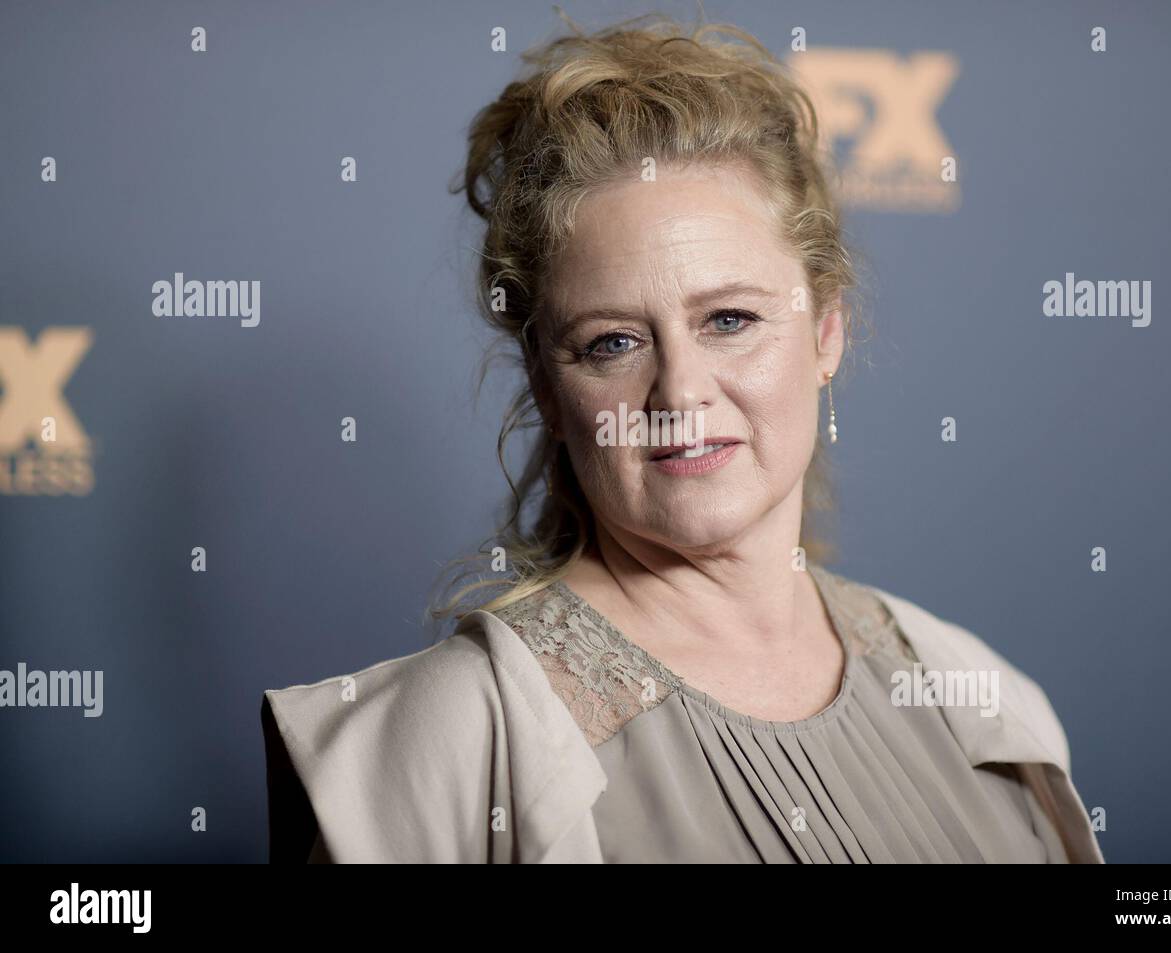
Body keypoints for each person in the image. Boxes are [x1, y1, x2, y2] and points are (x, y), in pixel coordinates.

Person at [261, 13, 1104, 864]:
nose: (682, 391)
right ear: (549, 388)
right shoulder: (446, 746)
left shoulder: (981, 697)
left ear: (826, 335)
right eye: (613, 342)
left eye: (729, 319)